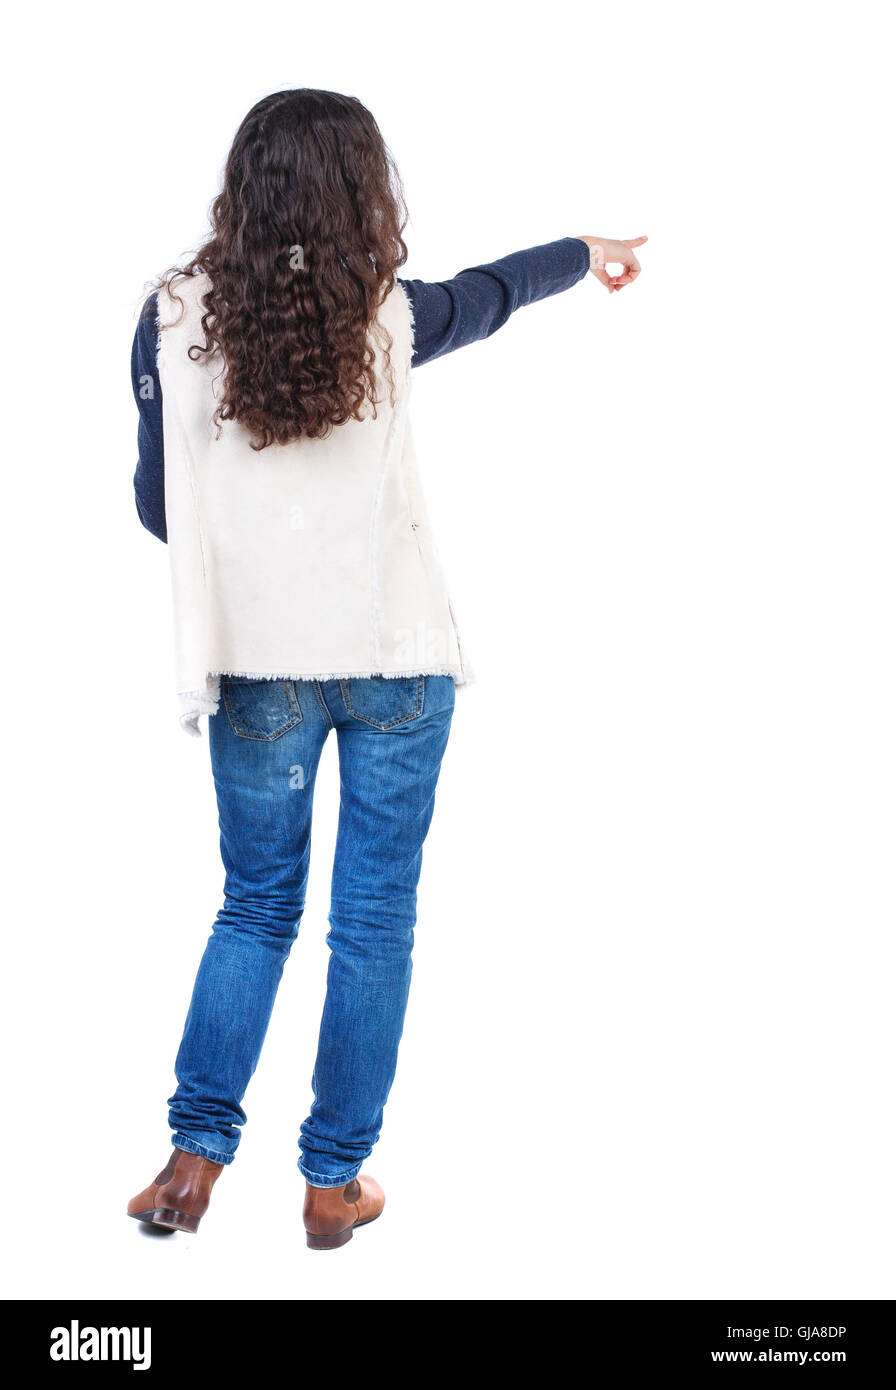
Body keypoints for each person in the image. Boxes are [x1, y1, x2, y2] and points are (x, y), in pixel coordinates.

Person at [127, 87, 646, 1251]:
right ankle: (330, 1186)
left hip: (256, 667)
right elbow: (495, 293)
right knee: (373, 921)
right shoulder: (389, 315)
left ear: (244, 185)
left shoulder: (170, 316)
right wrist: (587, 250)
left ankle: (190, 1165)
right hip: (395, 658)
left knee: (253, 908)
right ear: (361, 188)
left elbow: (165, 510)